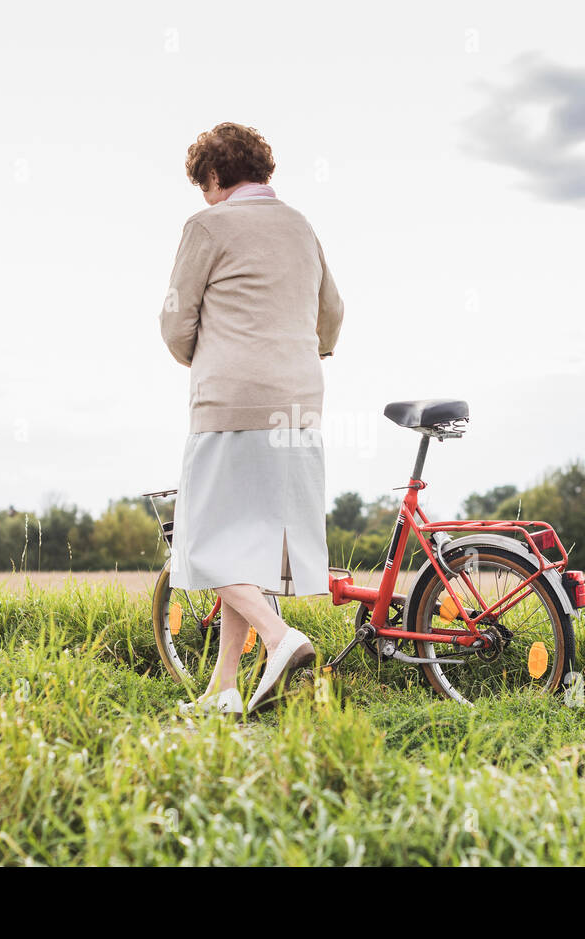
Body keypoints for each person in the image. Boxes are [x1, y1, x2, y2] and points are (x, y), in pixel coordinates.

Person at [159, 122, 344, 716]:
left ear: (216, 175)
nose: (205, 197)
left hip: (231, 402)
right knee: (251, 546)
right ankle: (223, 689)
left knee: (199, 539)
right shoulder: (301, 225)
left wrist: (200, 353)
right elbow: (332, 313)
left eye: (204, 184)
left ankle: (279, 635)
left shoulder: (206, 226)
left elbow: (175, 319)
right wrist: (301, 352)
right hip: (299, 405)